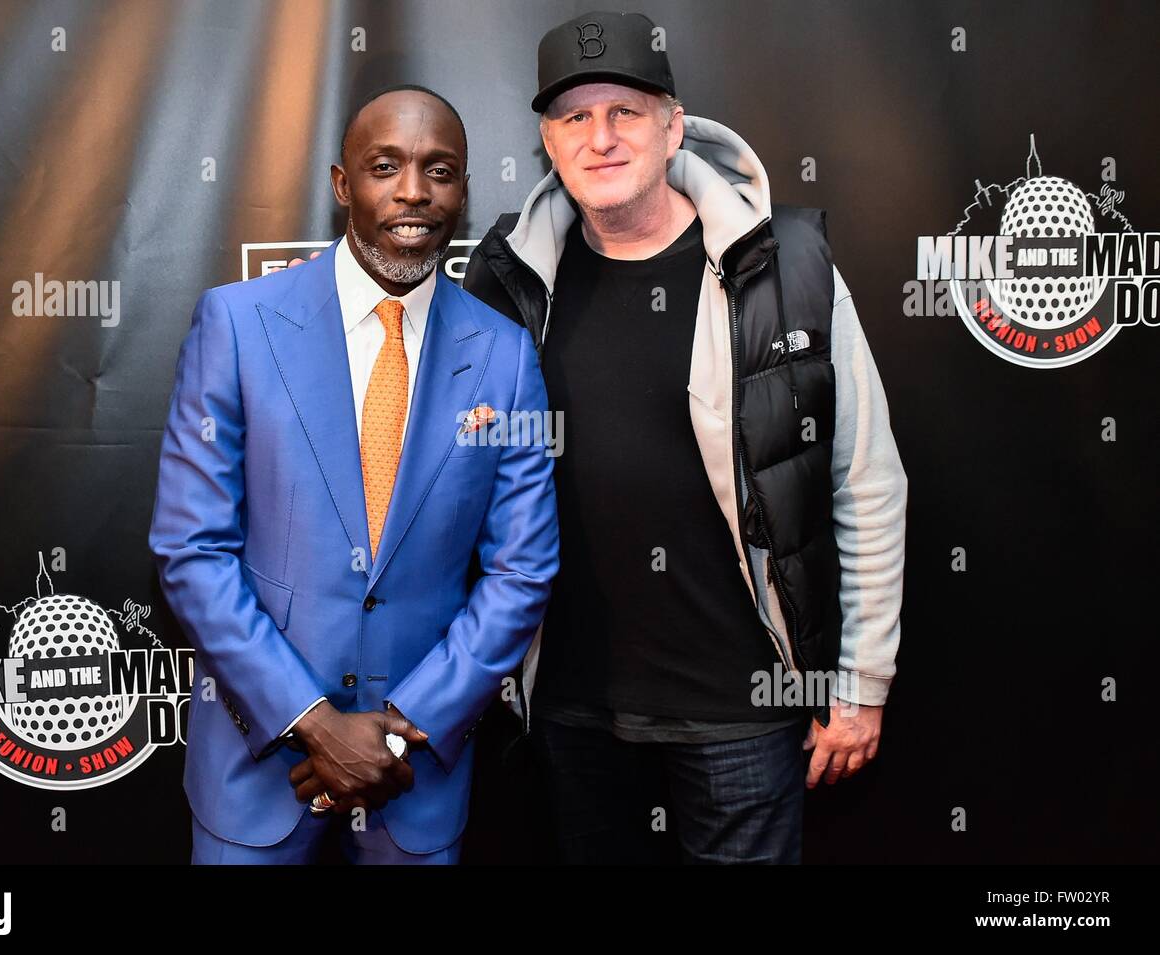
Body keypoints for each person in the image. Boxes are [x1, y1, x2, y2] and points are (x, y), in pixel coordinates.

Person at [461, 10, 909, 864]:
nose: (601, 138)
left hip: (743, 706)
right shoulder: (506, 278)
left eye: (625, 111)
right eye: (573, 118)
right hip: (568, 705)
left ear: (674, 126)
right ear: (546, 141)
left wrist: (859, 682)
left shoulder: (787, 269)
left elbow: (866, 482)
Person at [148, 85, 559, 864]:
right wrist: (314, 720)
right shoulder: (236, 325)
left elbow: (523, 568)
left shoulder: (504, 357)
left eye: (440, 171)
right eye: (385, 166)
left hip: (419, 775)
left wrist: (404, 729)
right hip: (257, 766)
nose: (413, 191)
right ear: (342, 185)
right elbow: (191, 548)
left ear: (464, 192)